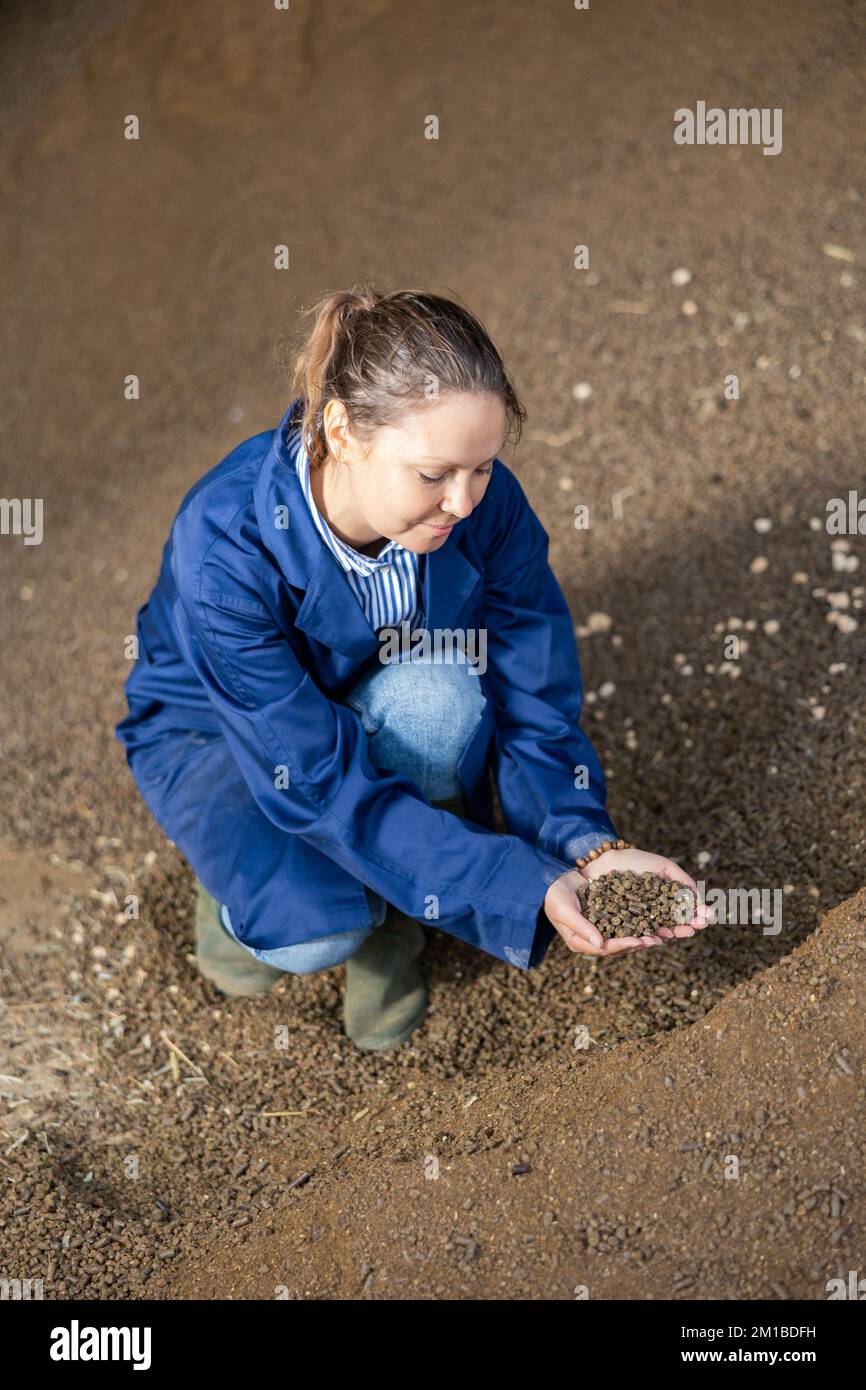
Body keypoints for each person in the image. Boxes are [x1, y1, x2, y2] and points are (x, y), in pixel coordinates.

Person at [115, 285, 707, 1051]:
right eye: (432, 475)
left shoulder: (480, 500)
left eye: (484, 468)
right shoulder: (224, 545)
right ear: (343, 431)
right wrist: (513, 884)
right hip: (232, 734)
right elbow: (313, 774)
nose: (464, 503)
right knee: (307, 937)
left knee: (441, 698)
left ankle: (402, 915)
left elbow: (531, 689)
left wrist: (583, 844)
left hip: (383, 690)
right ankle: (239, 884)